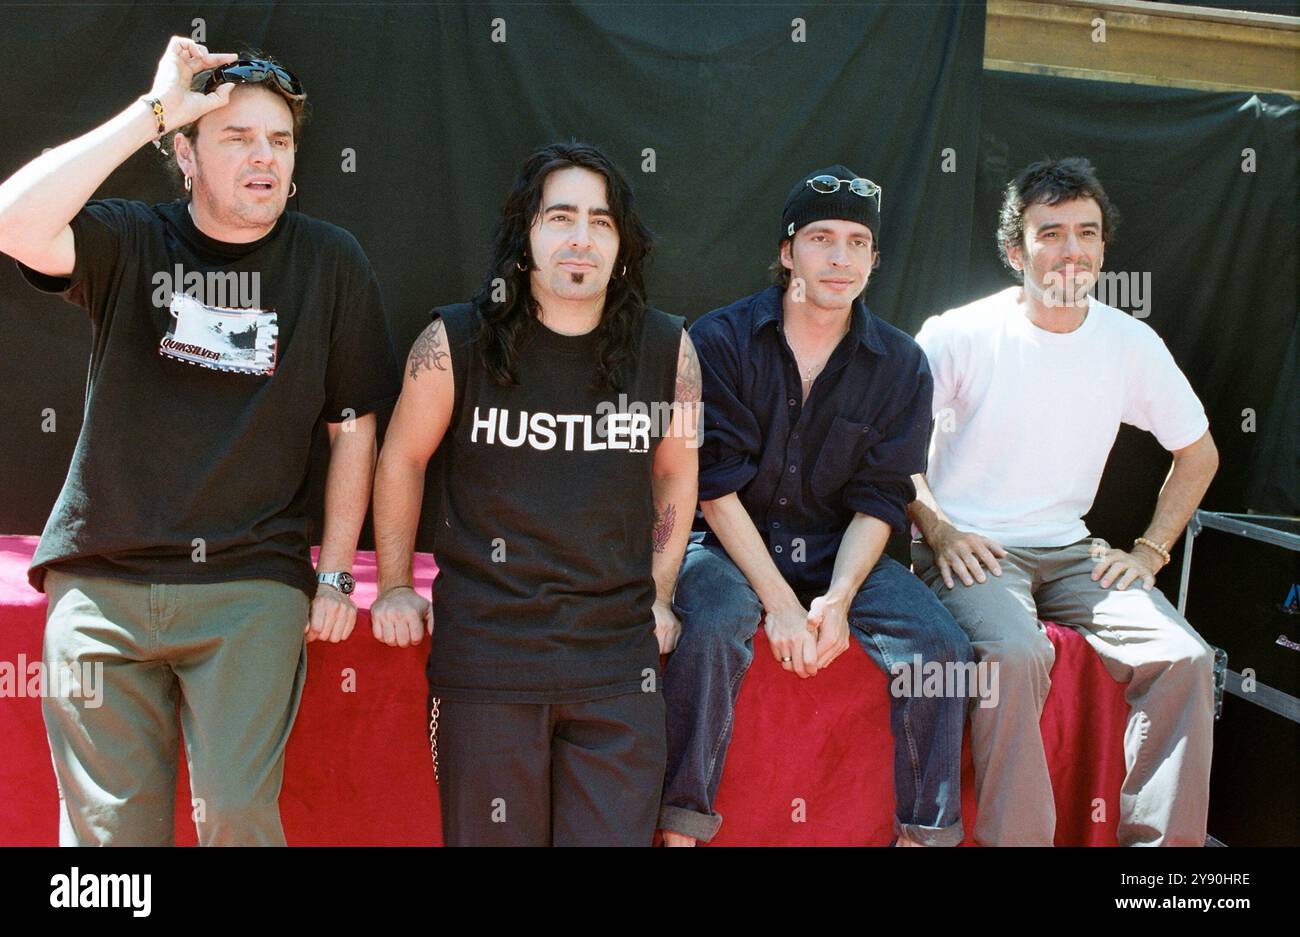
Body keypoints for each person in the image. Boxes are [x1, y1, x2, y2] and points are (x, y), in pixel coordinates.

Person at [0, 38, 399, 845]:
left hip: (249, 584)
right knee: (107, 841)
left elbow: (353, 426)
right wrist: (152, 111)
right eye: (236, 137)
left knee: (237, 817)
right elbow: (13, 222)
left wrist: (333, 575)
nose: (265, 158)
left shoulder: (330, 261)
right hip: (103, 580)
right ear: (184, 153)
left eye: (280, 142)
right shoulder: (132, 239)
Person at [370, 141, 699, 846]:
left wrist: (661, 591)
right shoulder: (454, 340)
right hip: (489, 663)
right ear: (526, 235)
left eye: (601, 222)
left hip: (617, 667)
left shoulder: (670, 348)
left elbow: (676, 470)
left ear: (622, 245)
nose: (580, 237)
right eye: (560, 217)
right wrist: (394, 583)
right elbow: (400, 456)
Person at [658, 165, 973, 847]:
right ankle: (681, 827)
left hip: (838, 546)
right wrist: (779, 603)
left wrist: (836, 598)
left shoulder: (900, 363)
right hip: (729, 542)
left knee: (942, 645)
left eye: (858, 242)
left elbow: (881, 497)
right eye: (822, 238)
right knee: (712, 623)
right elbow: (712, 488)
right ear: (786, 251)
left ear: (874, 259)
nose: (840, 257)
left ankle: (925, 835)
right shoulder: (719, 340)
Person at [908, 157, 1219, 846]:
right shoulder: (958, 332)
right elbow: (893, 456)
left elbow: (1199, 453)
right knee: (1017, 655)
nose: (1072, 248)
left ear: (1104, 247)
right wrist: (939, 527)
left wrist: (1149, 549)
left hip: (1073, 553)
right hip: (971, 548)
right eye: (1051, 232)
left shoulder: (1129, 341)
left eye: (1087, 231)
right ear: (1016, 249)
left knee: (1187, 658)